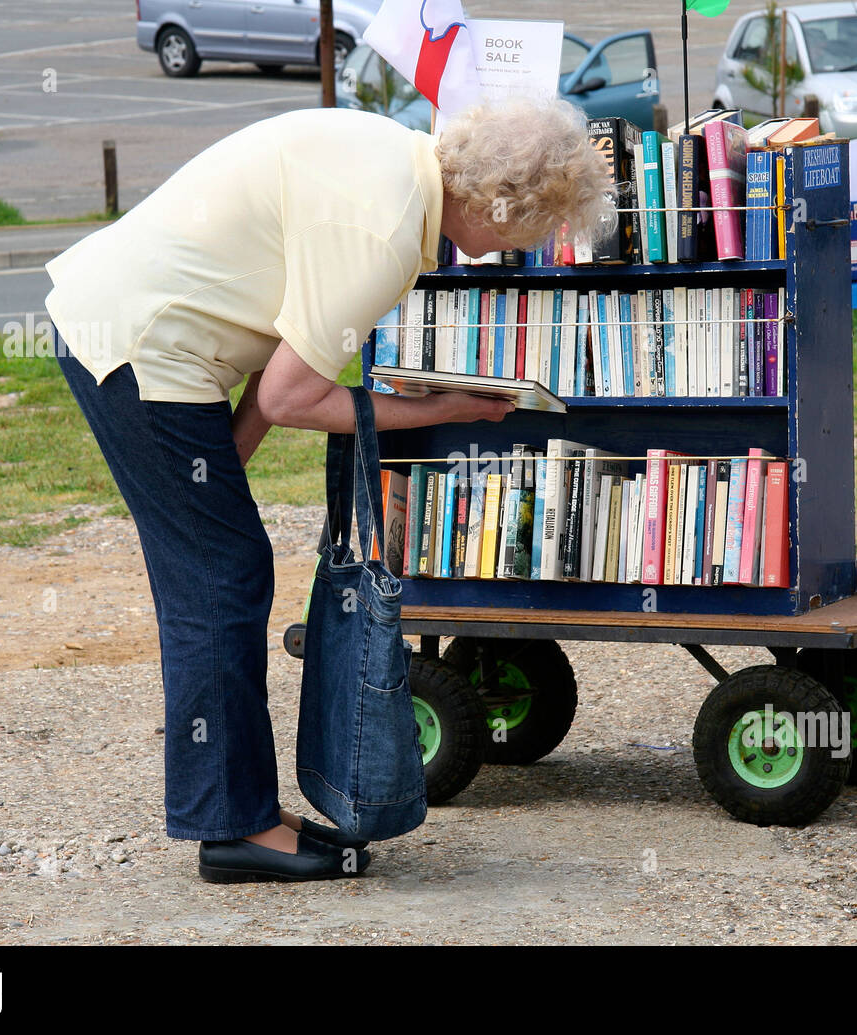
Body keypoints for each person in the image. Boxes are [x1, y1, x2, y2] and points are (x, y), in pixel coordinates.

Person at [44, 95, 615, 883]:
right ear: (497, 203)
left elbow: (280, 343)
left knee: (224, 570)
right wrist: (438, 409)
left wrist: (225, 462)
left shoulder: (389, 163)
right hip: (142, 349)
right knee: (220, 580)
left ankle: (238, 807)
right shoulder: (384, 233)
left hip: (135, 330)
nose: (515, 250)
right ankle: (232, 829)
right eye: (528, 230)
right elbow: (289, 396)